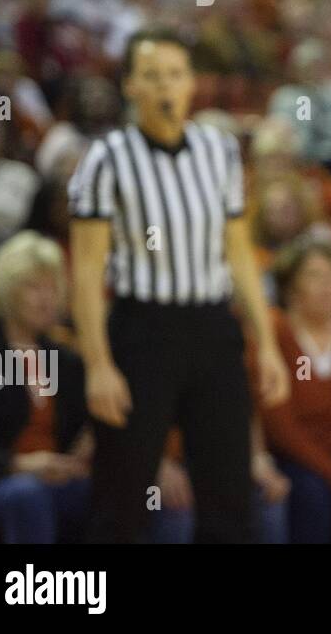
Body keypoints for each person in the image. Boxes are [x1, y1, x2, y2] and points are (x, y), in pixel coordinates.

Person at [68, 27, 290, 543]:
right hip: (141, 331)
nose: (164, 86)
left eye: (174, 74)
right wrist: (98, 365)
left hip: (212, 328)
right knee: (122, 496)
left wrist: (267, 344)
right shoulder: (106, 157)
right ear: (130, 86)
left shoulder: (220, 150)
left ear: (192, 83)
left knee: (229, 492)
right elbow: (85, 272)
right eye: (151, 75)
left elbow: (239, 254)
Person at [0, 232, 88, 543]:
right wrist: (20, 465)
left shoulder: (66, 360)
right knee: (28, 495)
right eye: (34, 287)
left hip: (53, 480)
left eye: (53, 287)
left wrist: (86, 446)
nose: (47, 298)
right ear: (8, 289)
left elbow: (79, 428)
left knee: (130, 495)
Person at [260, 236, 331, 543]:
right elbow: (280, 428)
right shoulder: (275, 338)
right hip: (294, 461)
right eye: (315, 275)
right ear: (290, 288)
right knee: (312, 495)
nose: (329, 285)